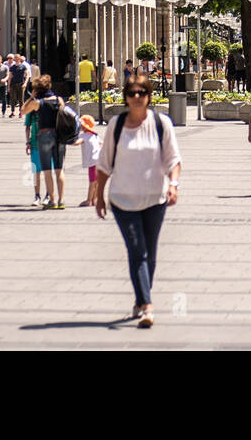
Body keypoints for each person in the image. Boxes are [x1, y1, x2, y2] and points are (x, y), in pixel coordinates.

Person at [94, 72, 182, 328]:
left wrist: (173, 185)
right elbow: (103, 164)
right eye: (131, 94)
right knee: (137, 251)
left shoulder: (160, 123)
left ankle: (139, 298)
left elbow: (173, 159)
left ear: (148, 96)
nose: (136, 97)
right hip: (122, 200)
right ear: (126, 98)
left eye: (141, 93)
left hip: (155, 199)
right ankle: (147, 306)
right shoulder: (116, 126)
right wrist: (99, 197)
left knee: (150, 255)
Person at [33, 75, 76, 209]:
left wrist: (31, 97)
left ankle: (52, 200)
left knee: (47, 171)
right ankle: (61, 200)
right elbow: (64, 114)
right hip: (59, 136)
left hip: (44, 135)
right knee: (59, 169)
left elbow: (23, 110)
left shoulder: (38, 102)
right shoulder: (59, 100)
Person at [78, 115, 102, 207]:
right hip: (99, 160)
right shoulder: (95, 136)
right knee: (96, 182)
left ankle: (88, 200)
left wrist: (68, 141)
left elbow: (77, 142)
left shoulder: (83, 136)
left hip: (92, 162)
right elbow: (102, 143)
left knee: (92, 182)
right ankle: (94, 199)